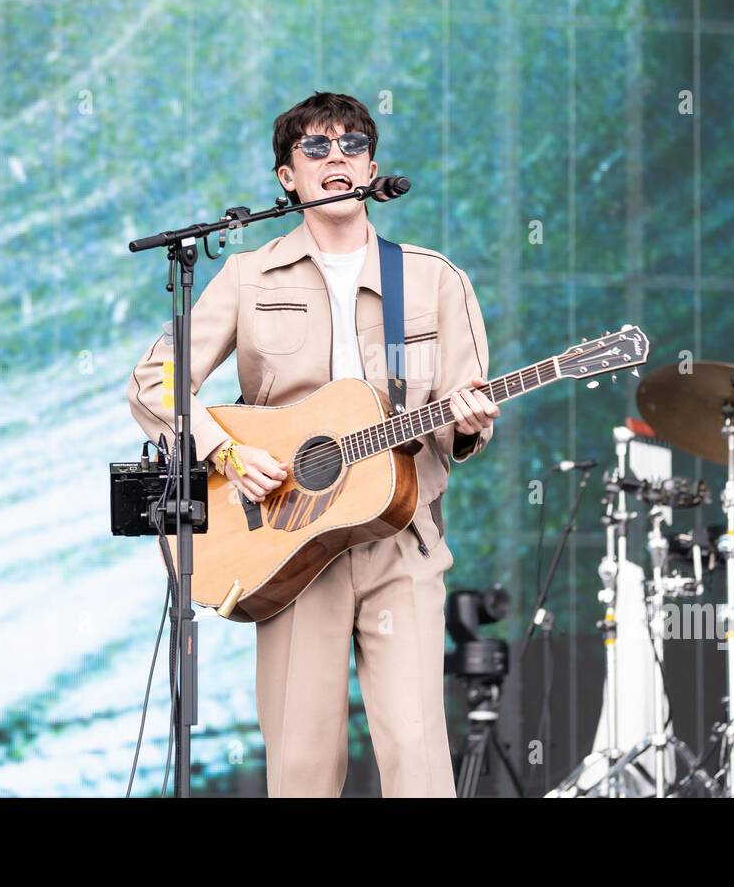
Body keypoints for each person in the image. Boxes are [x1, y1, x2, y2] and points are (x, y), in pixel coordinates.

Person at [127, 91, 498, 796]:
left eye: (353, 146)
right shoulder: (247, 276)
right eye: (317, 149)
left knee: (419, 763)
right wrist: (226, 451)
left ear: (374, 167)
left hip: (402, 541)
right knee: (300, 770)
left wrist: (470, 423)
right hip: (290, 544)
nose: (338, 159)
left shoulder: (432, 278)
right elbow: (155, 380)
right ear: (286, 178)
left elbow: (460, 418)